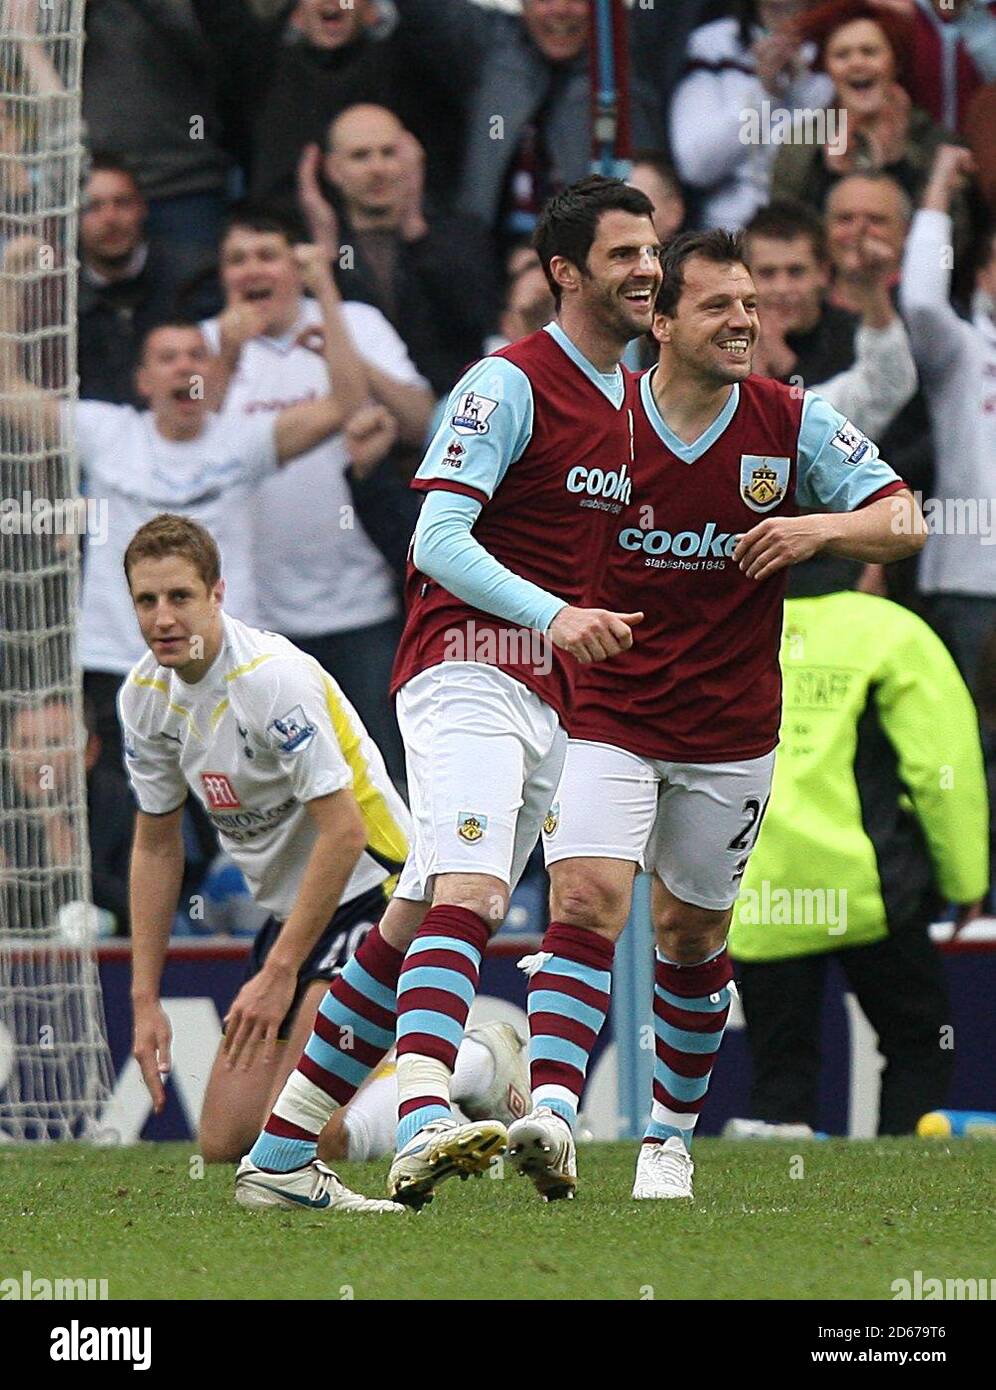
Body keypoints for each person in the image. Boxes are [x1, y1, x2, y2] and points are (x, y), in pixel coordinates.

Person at [242, 175, 663, 1211]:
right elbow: (436, 540)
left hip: (548, 698)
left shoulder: (631, 399)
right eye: (623, 255)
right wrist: (555, 616)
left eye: (653, 251)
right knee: (474, 895)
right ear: (565, 272)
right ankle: (426, 1115)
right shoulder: (505, 381)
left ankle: (283, 1158)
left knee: (418, 910)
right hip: (463, 669)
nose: (648, 268)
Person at [515, 228, 925, 1202]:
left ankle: (666, 1141)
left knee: (691, 933)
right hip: (605, 710)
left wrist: (819, 525)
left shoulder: (790, 423)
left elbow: (904, 519)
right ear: (658, 322)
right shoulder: (596, 421)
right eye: (719, 305)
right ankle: (550, 1112)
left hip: (730, 726)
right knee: (584, 898)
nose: (745, 319)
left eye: (751, 304)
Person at [118, 513, 409, 1213]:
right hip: (295, 909)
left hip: (378, 887)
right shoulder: (144, 699)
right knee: (226, 1143)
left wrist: (279, 973)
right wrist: (144, 1000)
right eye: (146, 601)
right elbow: (156, 845)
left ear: (217, 593)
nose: (163, 617)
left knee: (312, 1134)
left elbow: (341, 833)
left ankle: (472, 1068)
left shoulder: (270, 680)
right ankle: (447, 1067)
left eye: (180, 597)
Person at [0, 236, 367, 767]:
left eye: (196, 354)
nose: (183, 367)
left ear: (213, 373)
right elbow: (9, 389)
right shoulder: (106, 433)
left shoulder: (245, 441)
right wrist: (11, 281)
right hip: (117, 664)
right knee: (126, 835)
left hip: (225, 668)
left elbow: (348, 403)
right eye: (167, 358)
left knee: (239, 832)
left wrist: (324, 288)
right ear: (144, 381)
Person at [729, 554, 989, 1134]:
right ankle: (907, 1185)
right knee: (920, 1044)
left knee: (781, 1077)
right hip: (872, 891)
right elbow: (943, 771)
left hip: (757, 892)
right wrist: (965, 881)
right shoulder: (893, 631)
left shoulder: (731, 627)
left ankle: (777, 1212)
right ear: (869, 568)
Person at [201, 208, 433, 785]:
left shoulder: (354, 319)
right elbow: (192, 457)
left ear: (298, 267)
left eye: (268, 256)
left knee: (382, 772)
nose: (253, 270)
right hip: (254, 611)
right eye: (237, 259)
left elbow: (413, 420)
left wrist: (328, 300)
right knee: (277, 785)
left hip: (359, 601)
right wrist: (226, 358)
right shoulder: (206, 344)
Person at [899, 144, 996, 880]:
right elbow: (923, 302)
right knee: (968, 749)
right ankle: (970, 891)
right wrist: (937, 186)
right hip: (970, 586)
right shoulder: (964, 351)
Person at [392, 0, 664, 246]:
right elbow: (423, 10)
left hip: (588, 253)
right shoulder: (489, 43)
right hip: (486, 254)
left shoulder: (631, 50)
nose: (561, 9)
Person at [298, 103, 497, 396]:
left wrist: (416, 233)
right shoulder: (316, 245)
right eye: (360, 156)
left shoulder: (461, 235)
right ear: (332, 169)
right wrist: (328, 250)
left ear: (413, 160)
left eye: (389, 153)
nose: (378, 168)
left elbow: (475, 327)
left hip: (453, 407)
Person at [746, 198, 918, 440]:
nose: (782, 288)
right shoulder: (729, 342)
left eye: (796, 272)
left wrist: (787, 365)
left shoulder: (854, 338)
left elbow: (885, 388)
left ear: (823, 273)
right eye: (767, 273)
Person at [669, 0, 833, 231]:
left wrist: (802, 87)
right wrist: (765, 95)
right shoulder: (714, 45)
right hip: (729, 232)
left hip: (813, 229)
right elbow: (695, 166)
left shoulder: (842, 44)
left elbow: (837, 149)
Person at [77, 154, 188, 406]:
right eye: (92, 207)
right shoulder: (58, 297)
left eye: (122, 203)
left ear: (142, 208)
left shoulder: (191, 278)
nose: (110, 219)